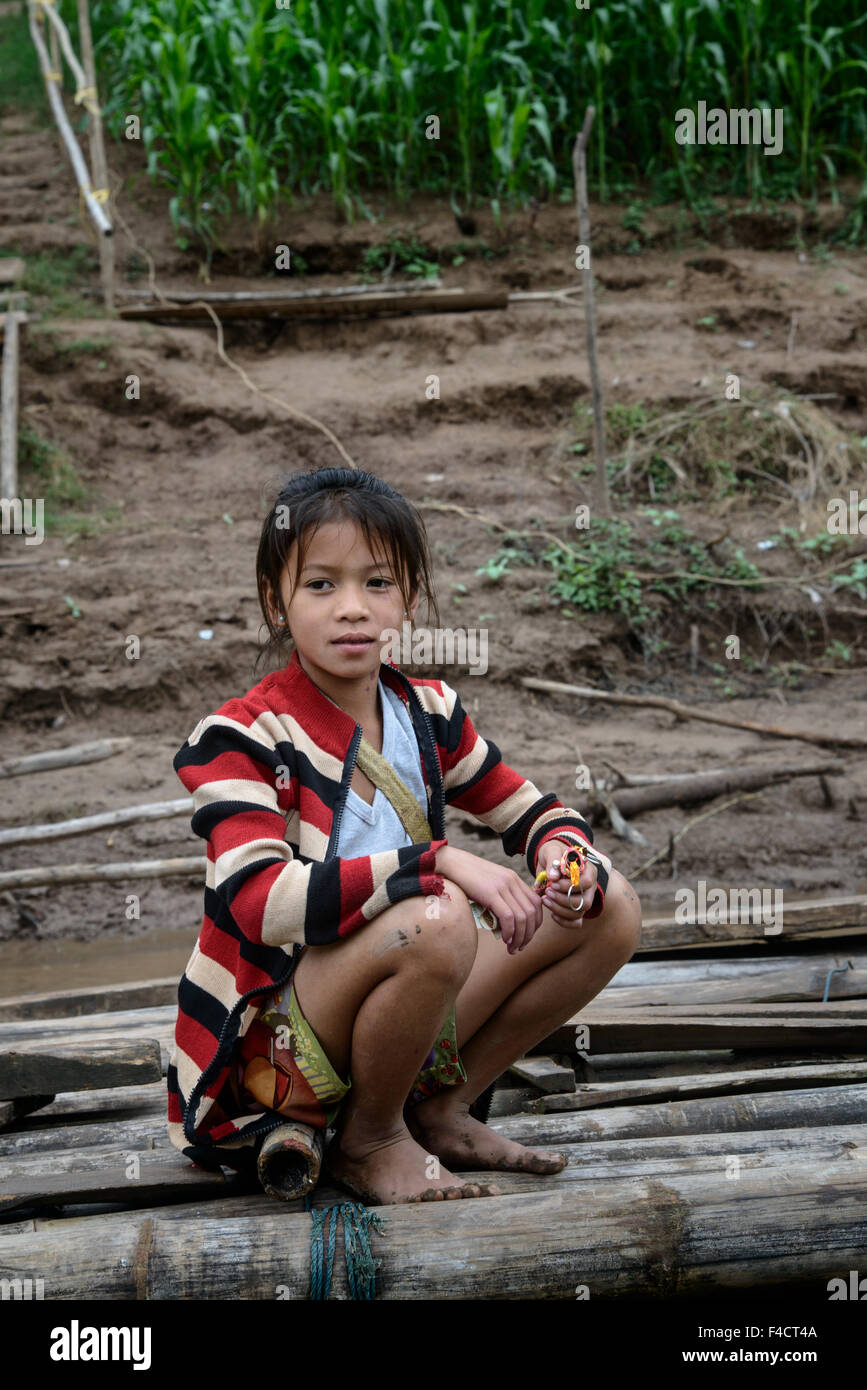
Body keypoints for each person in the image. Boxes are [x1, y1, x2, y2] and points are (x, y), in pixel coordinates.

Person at [167, 467, 641, 1206]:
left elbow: (528, 807)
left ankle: (441, 1110)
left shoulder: (426, 711)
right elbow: (261, 904)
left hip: (404, 1000)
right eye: (320, 584)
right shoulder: (242, 735)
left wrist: (561, 856)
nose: (352, 609)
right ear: (275, 600)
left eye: (378, 583)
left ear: (409, 600)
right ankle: (369, 1140)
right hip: (278, 1049)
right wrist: (438, 860)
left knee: (612, 905)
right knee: (435, 910)